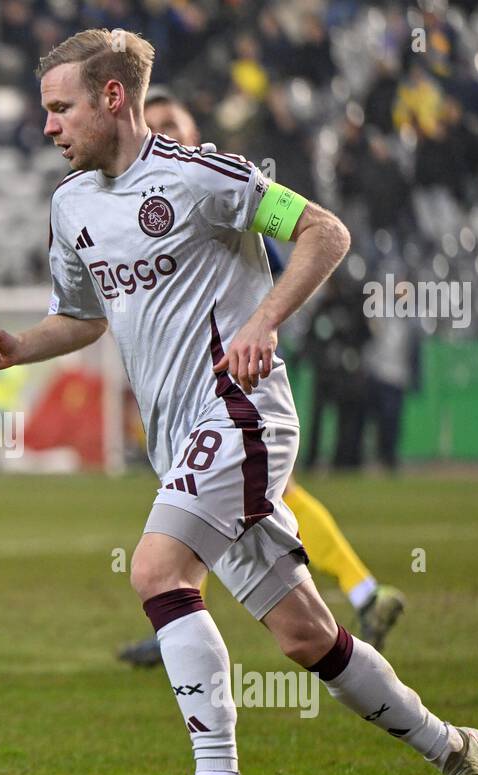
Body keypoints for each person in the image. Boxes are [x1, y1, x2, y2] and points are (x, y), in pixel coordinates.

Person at [0, 29, 478, 775]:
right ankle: (453, 748)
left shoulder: (203, 175)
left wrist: (262, 320)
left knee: (155, 569)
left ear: (112, 97)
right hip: (181, 442)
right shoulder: (71, 204)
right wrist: (17, 346)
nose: (49, 127)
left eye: (60, 107)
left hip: (243, 416)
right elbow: (80, 318)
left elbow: (324, 231)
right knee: (306, 637)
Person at [113, 91, 404, 667]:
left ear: (196, 133)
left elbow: (308, 241)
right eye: (157, 124)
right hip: (184, 398)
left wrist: (265, 321)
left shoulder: (222, 189)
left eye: (175, 124)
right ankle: (362, 595)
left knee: (247, 502)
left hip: (240, 379)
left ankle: (179, 609)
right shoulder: (139, 206)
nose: (165, 134)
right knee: (247, 511)